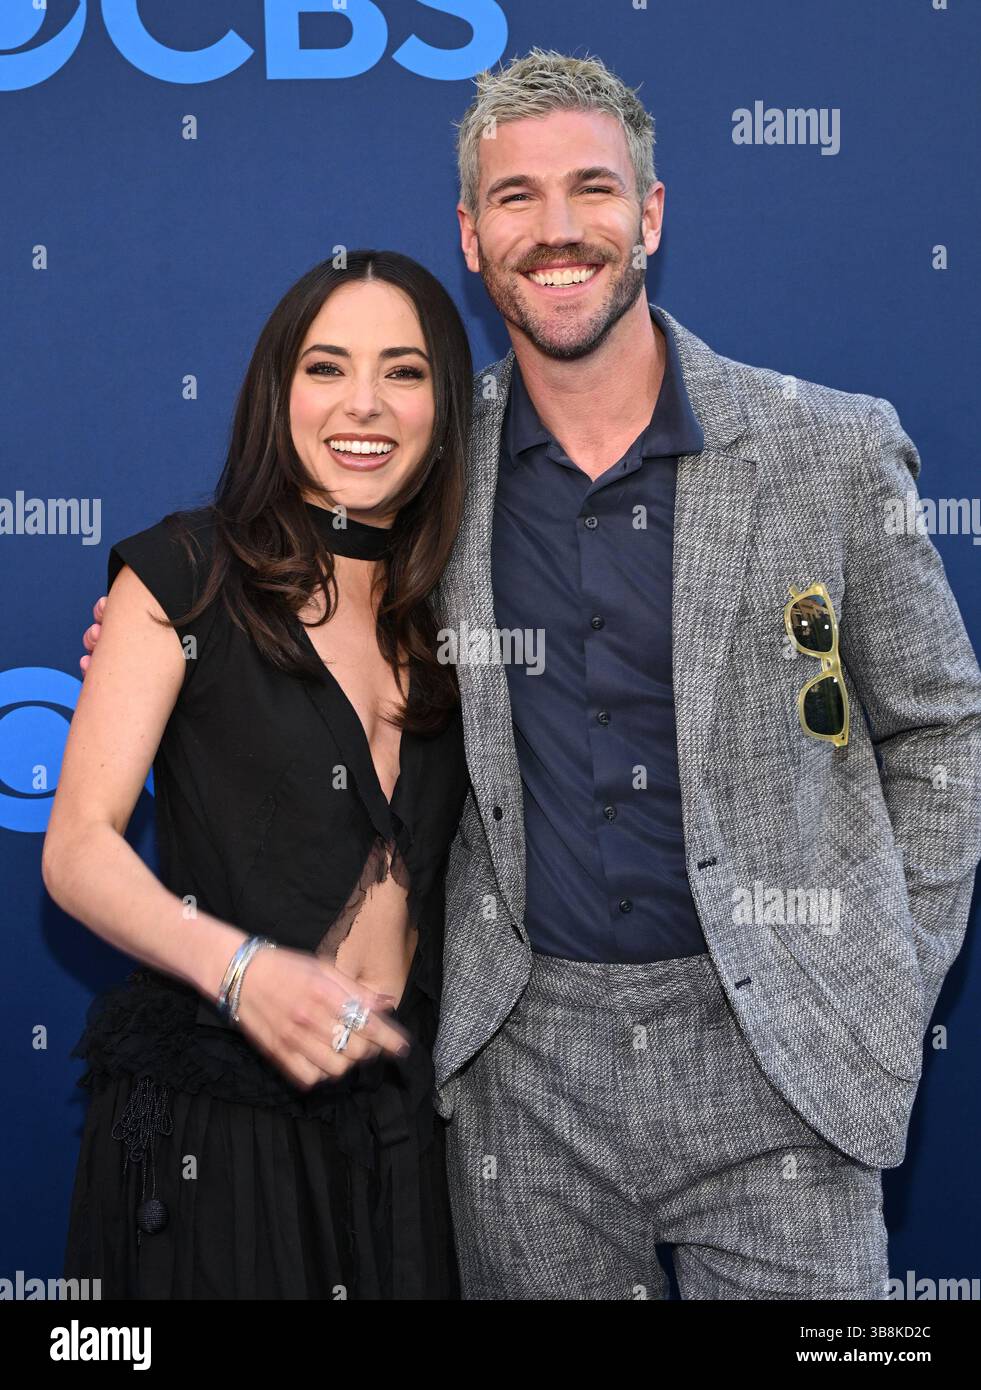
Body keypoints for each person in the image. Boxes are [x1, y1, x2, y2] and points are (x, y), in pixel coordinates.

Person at [78, 51, 981, 1302]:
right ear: (471, 234)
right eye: (516, 199)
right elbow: (270, 588)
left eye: (593, 190)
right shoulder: (432, 471)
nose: (558, 231)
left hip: (778, 1054)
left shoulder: (825, 448)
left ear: (650, 216)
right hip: (524, 1077)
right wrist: (150, 627)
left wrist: (888, 967)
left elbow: (944, 729)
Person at [46, 250, 473, 1299]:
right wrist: (242, 971)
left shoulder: (465, 609)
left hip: (407, 1138)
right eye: (326, 368)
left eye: (404, 371)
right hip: (213, 1137)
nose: (363, 403)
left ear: (447, 405)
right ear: (275, 392)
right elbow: (79, 848)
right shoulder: (184, 575)